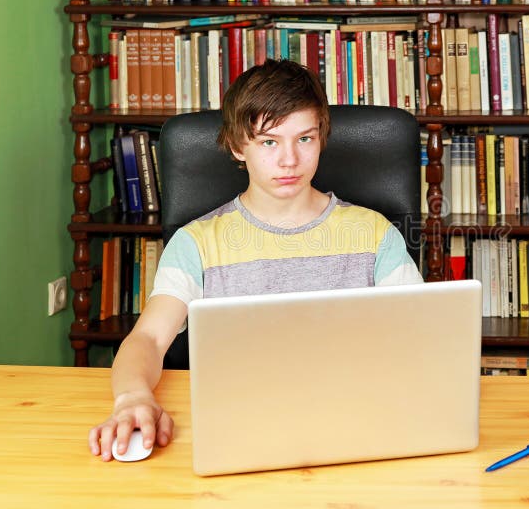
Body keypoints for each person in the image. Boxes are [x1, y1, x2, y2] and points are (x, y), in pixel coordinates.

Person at [88, 59, 423, 461]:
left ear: (322, 138)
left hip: (354, 426)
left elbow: (419, 338)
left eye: (305, 139)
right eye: (269, 141)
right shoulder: (196, 243)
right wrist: (132, 398)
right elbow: (148, 339)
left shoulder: (375, 233)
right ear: (236, 146)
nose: (289, 160)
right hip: (237, 427)